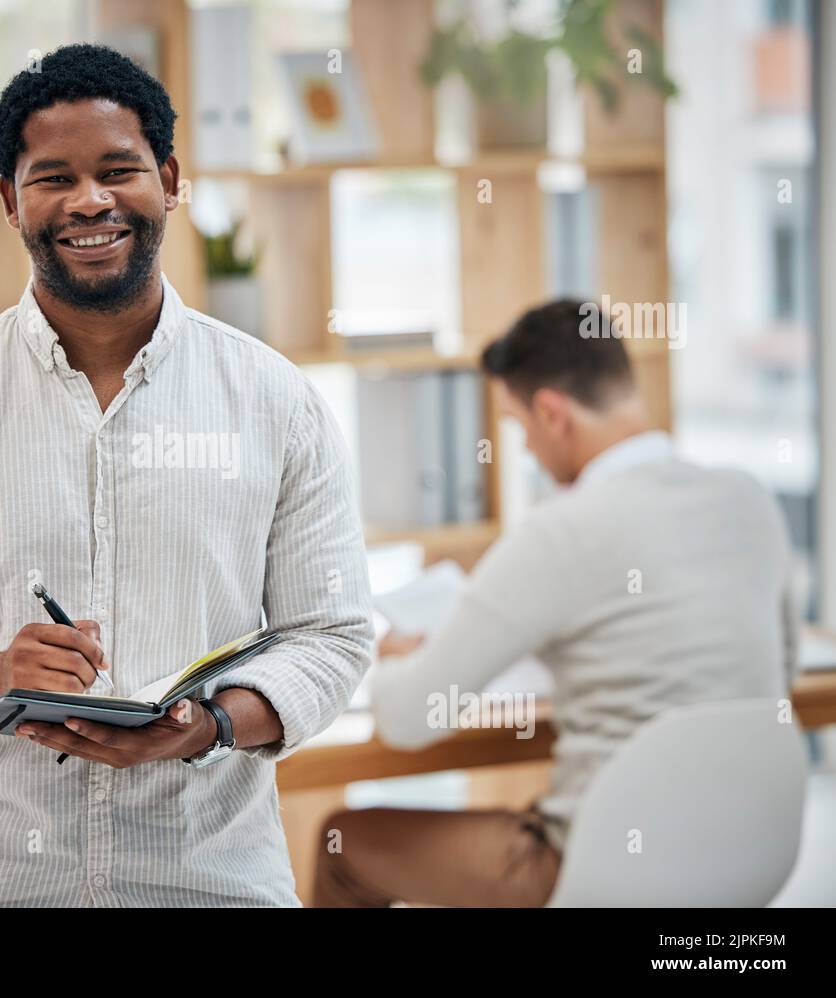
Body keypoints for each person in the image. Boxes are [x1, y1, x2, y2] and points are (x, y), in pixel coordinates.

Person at [0, 44, 373, 907]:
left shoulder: (276, 401)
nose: (90, 201)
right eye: (53, 178)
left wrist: (209, 725)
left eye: (119, 169)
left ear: (171, 180)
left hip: (211, 884)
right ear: (10, 199)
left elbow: (330, 635)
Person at [313, 299, 797, 907]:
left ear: (552, 413)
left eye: (518, 428)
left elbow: (409, 719)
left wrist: (396, 659)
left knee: (344, 841)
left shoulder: (561, 530)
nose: (526, 452)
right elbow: (780, 675)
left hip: (598, 869)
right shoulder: (749, 500)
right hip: (751, 854)